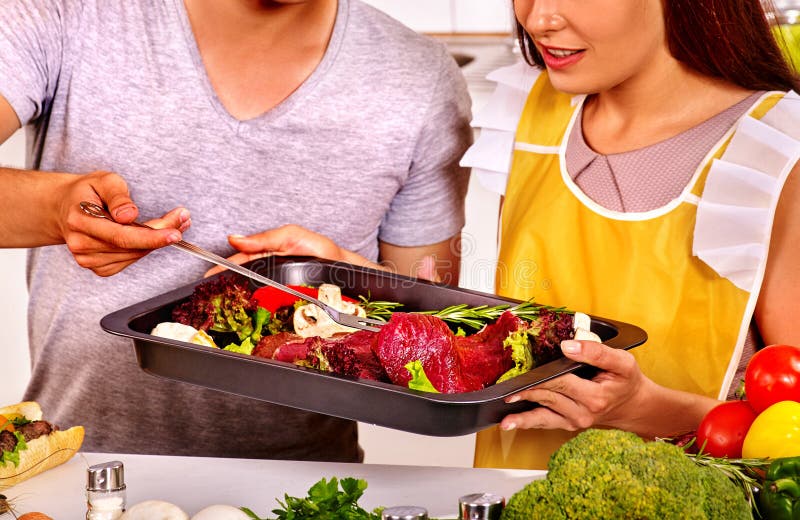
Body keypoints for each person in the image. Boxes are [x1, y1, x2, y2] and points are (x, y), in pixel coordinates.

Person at [0, 0, 472, 461]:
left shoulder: (421, 78)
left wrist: (348, 278)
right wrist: (54, 209)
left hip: (307, 489)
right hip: (78, 470)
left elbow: (436, 331)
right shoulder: (66, 12)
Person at [457, 0, 800, 468]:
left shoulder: (774, 155)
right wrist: (369, 291)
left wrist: (645, 409)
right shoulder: (527, 109)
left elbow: (789, 436)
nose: (537, 19)